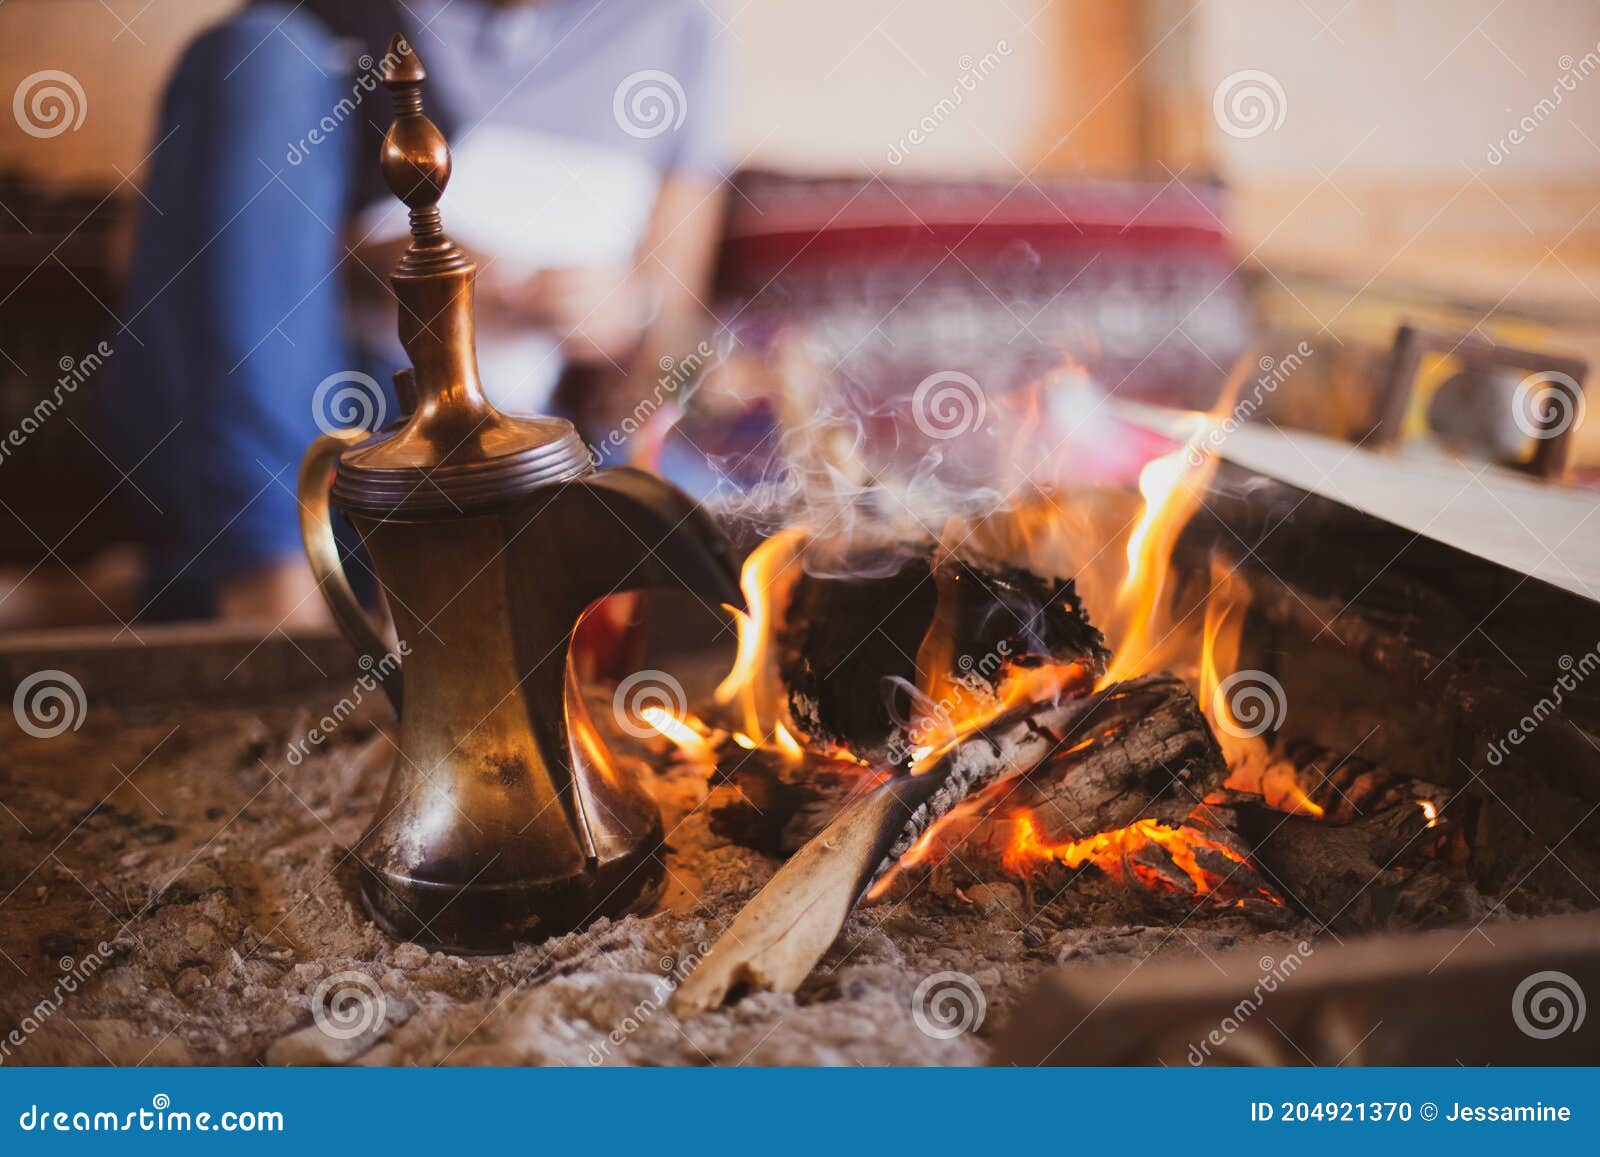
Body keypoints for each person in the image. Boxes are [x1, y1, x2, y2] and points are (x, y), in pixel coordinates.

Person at [101, 0, 725, 624]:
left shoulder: (676, 29)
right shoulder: (327, 22)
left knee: (721, 532)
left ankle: (168, 591)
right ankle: (271, 583)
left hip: (514, 452)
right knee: (259, 53)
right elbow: (145, 263)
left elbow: (674, 332)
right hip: (322, 427)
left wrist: (632, 310)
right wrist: (380, 271)